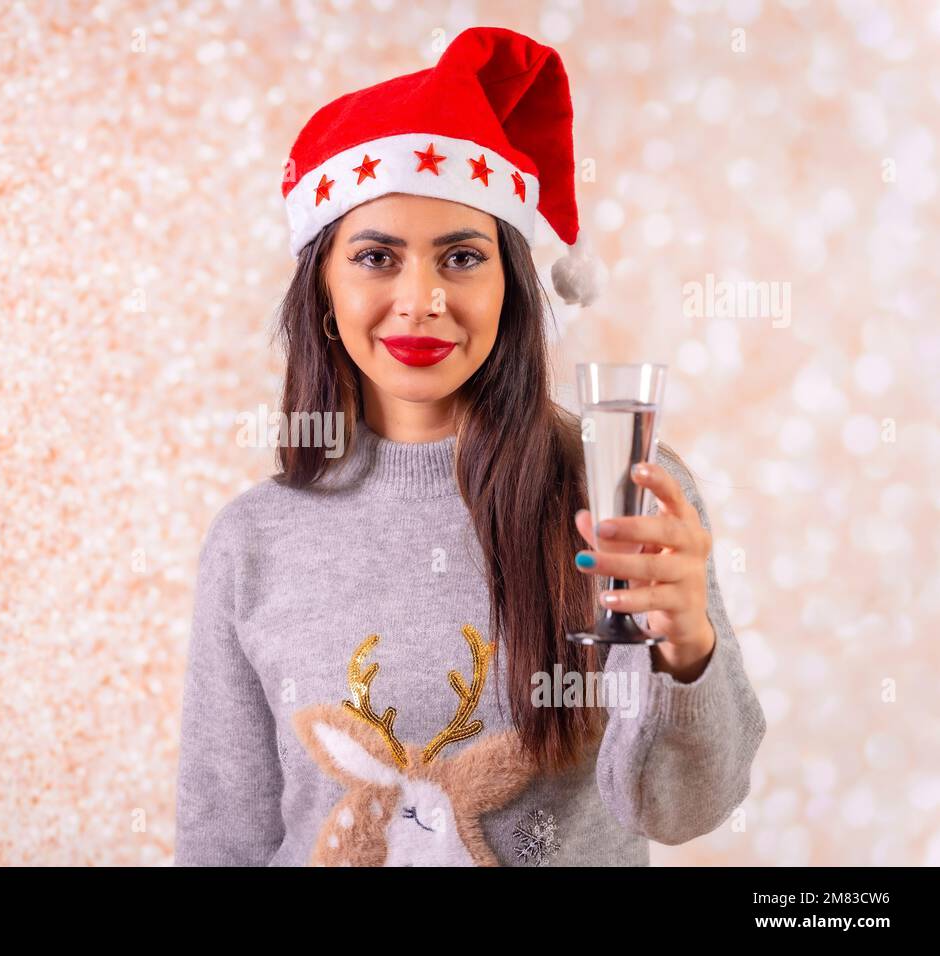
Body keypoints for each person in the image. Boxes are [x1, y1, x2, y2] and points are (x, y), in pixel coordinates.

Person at [174, 25, 765, 866]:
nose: (421, 300)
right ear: (324, 287)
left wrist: (687, 643)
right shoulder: (252, 539)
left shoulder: (623, 492)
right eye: (377, 257)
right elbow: (221, 840)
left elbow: (678, 809)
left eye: (461, 256)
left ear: (509, 285)